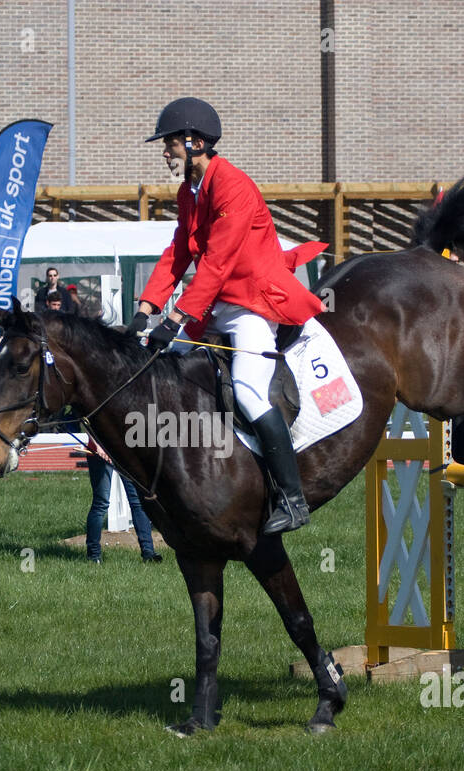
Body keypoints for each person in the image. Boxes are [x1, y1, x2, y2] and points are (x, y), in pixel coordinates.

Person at [129, 98, 325, 534]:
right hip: (216, 306)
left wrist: (175, 318)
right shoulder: (188, 191)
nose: (165, 152)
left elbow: (217, 262)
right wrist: (144, 311)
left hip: (252, 304)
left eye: (170, 144)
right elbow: (179, 251)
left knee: (250, 393)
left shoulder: (232, 185)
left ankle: (292, 500)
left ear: (195, 142)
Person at [84, 439, 163, 564]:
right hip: (99, 453)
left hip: (123, 454)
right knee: (101, 503)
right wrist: (98, 446)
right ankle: (93, 554)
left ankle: (148, 552)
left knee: (137, 502)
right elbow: (86, 421)